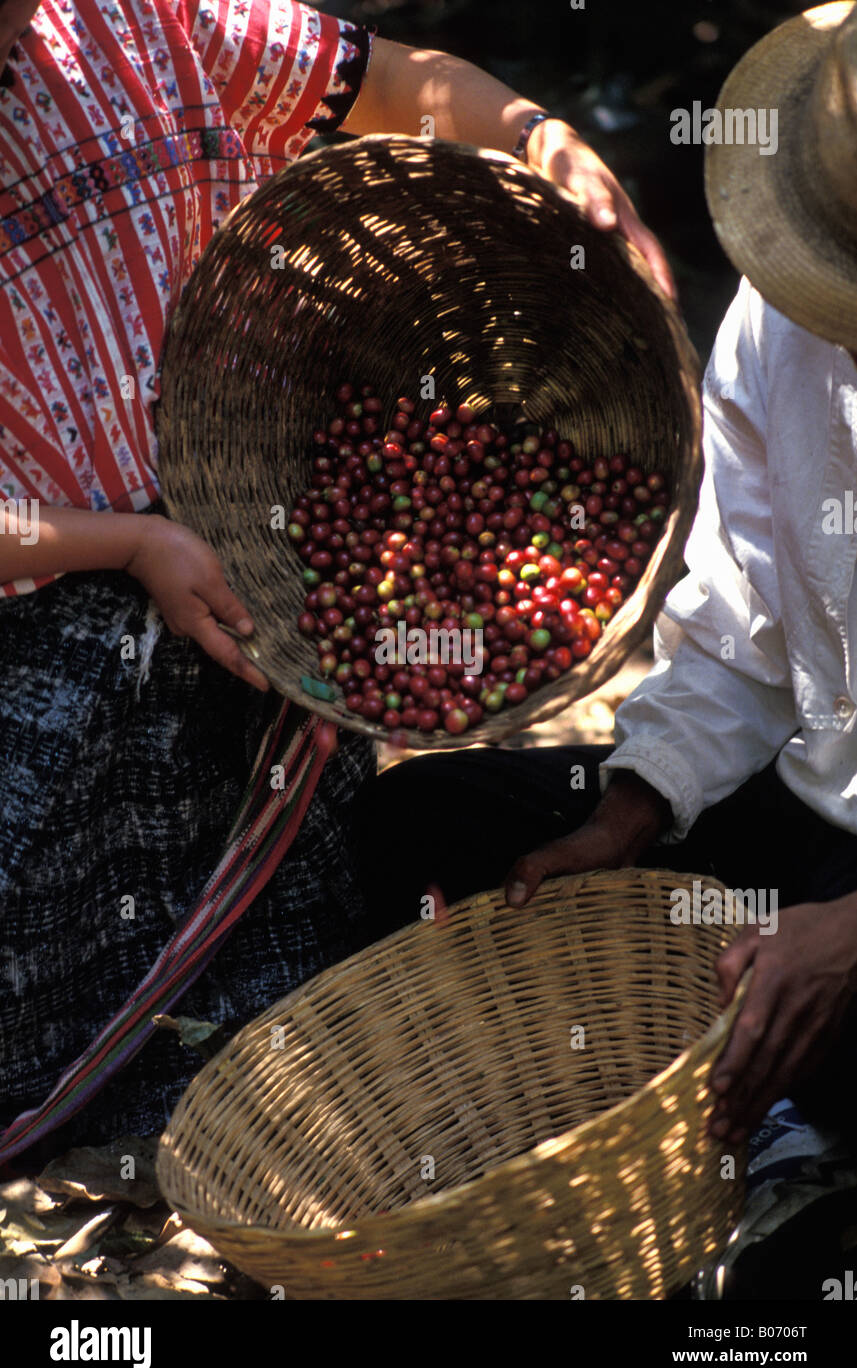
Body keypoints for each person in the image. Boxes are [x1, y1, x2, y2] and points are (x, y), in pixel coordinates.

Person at [0, 0, 673, 1164]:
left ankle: (266, 1076)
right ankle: (127, 1103)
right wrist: (121, 542)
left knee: (308, 906)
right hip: (49, 599)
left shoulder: (142, 23)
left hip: (257, 523)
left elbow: (396, 79)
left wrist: (536, 135)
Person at [356, 0, 857, 1152]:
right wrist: (632, 806)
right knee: (420, 824)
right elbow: (739, 624)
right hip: (809, 806)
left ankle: (794, 1127)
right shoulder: (776, 332)